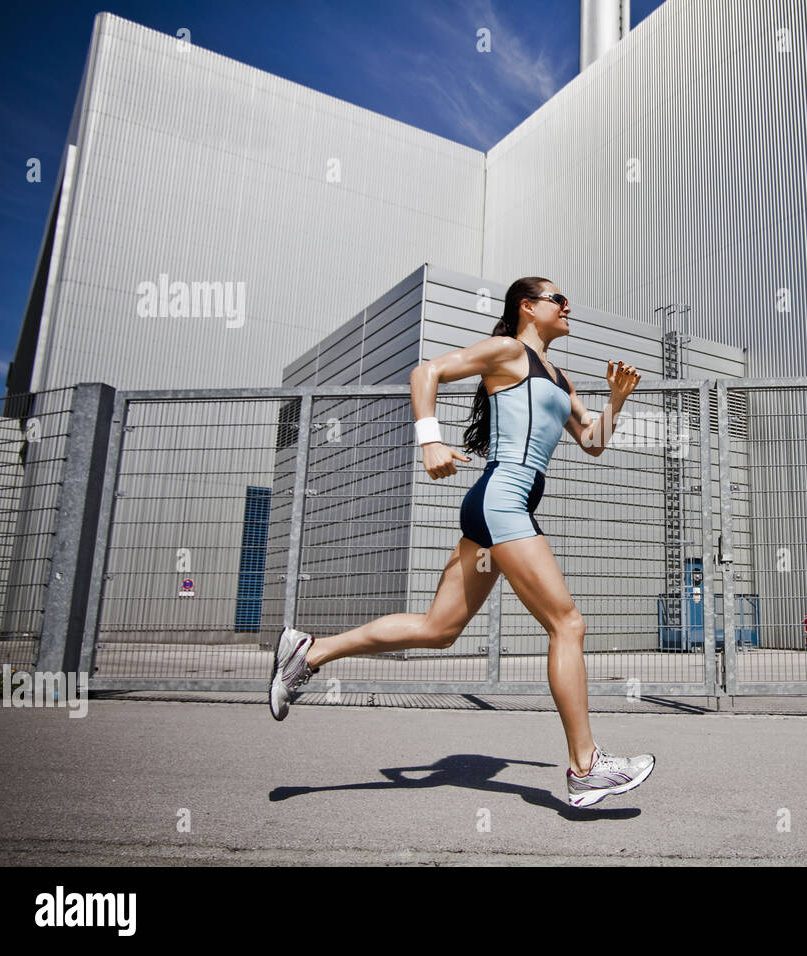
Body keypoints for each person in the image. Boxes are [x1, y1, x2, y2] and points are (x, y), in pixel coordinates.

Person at [268, 277, 655, 809]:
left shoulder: (560, 378)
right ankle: (585, 767)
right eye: (557, 300)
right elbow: (425, 372)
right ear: (528, 307)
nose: (568, 307)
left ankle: (311, 652)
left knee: (438, 629)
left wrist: (615, 400)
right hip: (501, 501)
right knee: (567, 623)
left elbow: (593, 442)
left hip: (497, 506)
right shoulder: (508, 351)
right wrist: (431, 440)